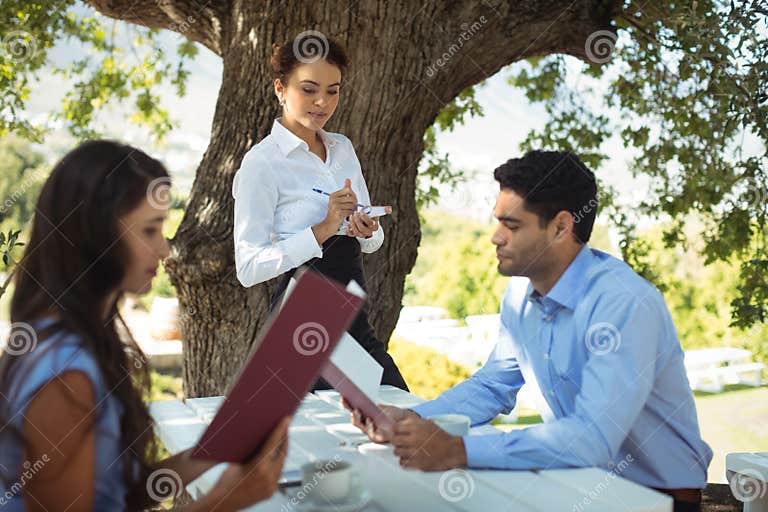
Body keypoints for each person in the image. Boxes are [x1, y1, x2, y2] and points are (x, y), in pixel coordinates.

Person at [347, 151, 713, 512]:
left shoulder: (623, 303)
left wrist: (457, 450)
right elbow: (494, 385)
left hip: (655, 498)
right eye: (498, 222)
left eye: (512, 225)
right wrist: (416, 420)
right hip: (578, 480)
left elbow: (592, 438)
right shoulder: (521, 295)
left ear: (560, 227)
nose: (496, 237)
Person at [0, 140, 290, 511]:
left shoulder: (85, 339)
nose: (165, 249)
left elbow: (117, 492)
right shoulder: (64, 376)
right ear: (98, 234)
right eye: (151, 230)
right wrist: (225, 501)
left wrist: (222, 445)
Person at [232, 34, 407, 390]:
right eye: (309, 89)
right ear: (281, 89)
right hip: (305, 315)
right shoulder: (261, 164)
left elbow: (374, 241)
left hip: (354, 312)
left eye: (333, 90)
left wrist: (365, 227)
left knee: (396, 419)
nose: (322, 102)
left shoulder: (342, 148)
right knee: (333, 435)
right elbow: (248, 268)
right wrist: (323, 229)